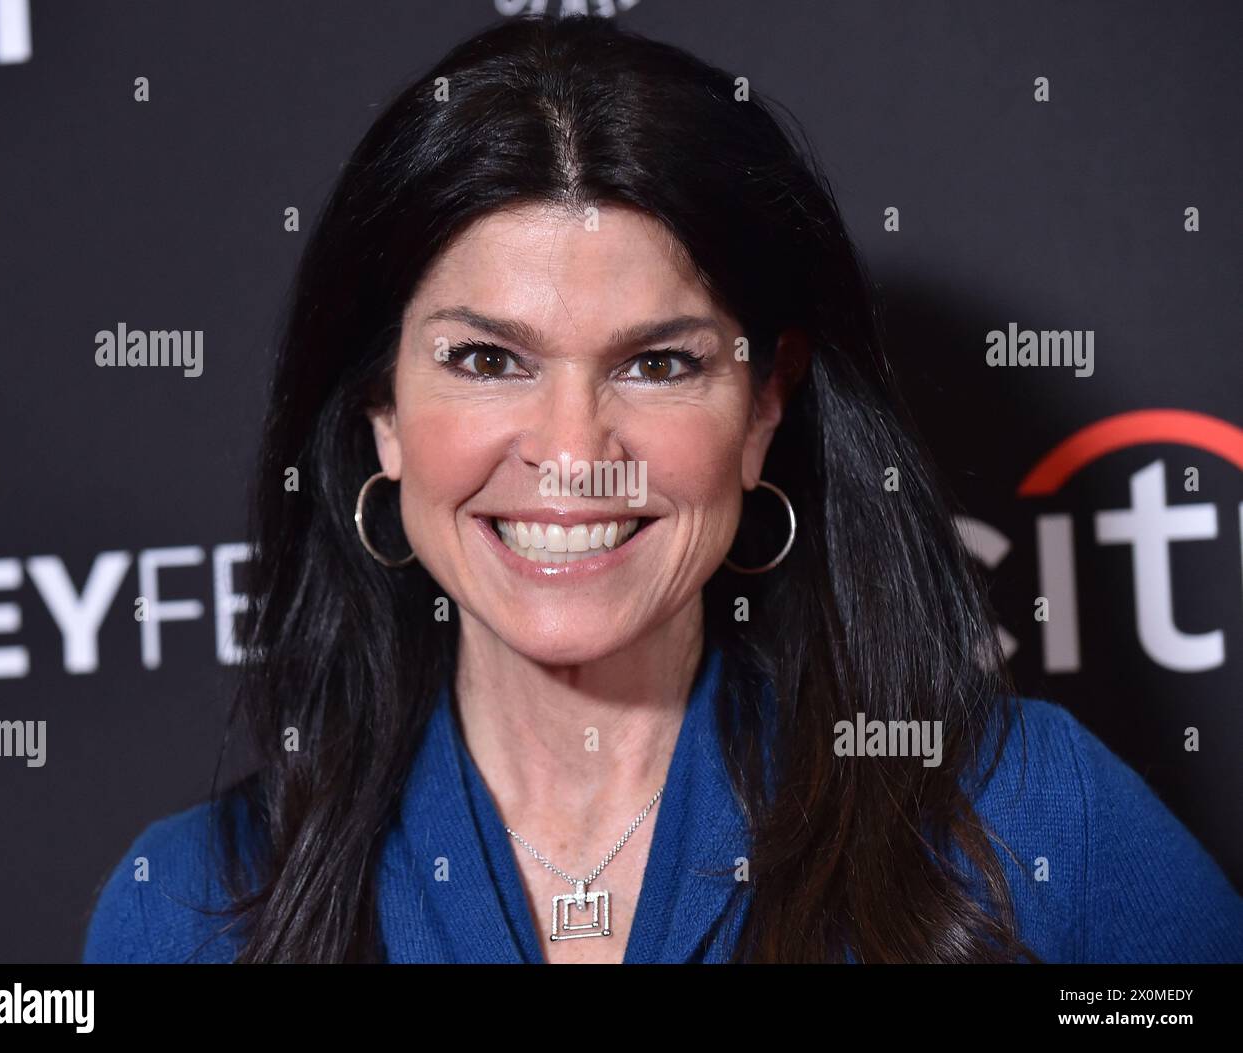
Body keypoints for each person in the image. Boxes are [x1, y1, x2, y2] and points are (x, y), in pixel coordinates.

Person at [82, 14, 1243, 964]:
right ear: (381, 413)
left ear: (764, 410)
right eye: (487, 360)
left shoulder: (1030, 822)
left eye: (658, 363)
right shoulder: (184, 908)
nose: (575, 450)